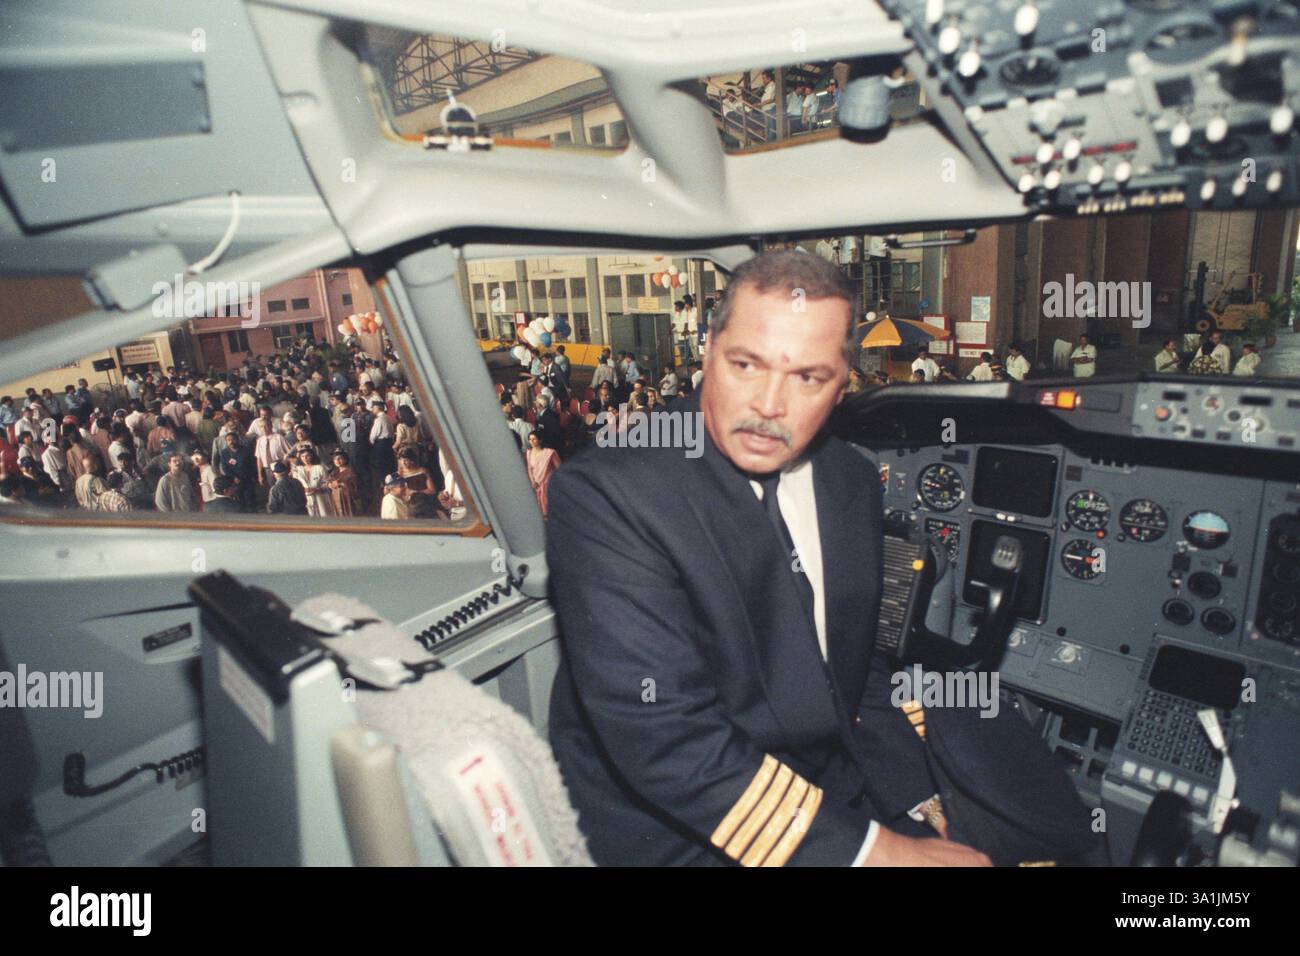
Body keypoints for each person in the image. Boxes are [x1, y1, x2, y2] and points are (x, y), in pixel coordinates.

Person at [545, 250, 997, 867]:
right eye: (745, 365)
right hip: (675, 825)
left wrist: (917, 793)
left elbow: (854, 665)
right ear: (708, 351)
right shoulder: (612, 493)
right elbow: (664, 736)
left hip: (825, 786)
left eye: (807, 378)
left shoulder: (851, 481)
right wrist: (877, 852)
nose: (768, 405)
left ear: (843, 386)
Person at [526, 431, 560, 517]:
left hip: (548, 484)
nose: (532, 442)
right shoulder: (529, 453)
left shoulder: (549, 453)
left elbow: (559, 468)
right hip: (536, 485)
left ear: (540, 440)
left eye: (534, 439)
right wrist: (533, 481)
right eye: (530, 440)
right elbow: (530, 469)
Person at [294, 447, 335, 517]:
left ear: (312, 456)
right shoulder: (297, 470)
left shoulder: (319, 467)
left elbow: (327, 483)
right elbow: (295, 485)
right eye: (302, 456)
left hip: (321, 497)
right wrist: (303, 490)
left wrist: (317, 489)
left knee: (324, 515)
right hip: (306, 498)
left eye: (307, 456)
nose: (305, 458)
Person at [327, 450, 362, 517]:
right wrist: (329, 484)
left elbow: (355, 485)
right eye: (335, 459)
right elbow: (328, 481)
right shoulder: (334, 472)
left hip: (347, 498)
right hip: (336, 497)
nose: (337, 461)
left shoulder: (351, 471)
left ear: (345, 459)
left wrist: (341, 484)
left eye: (339, 458)